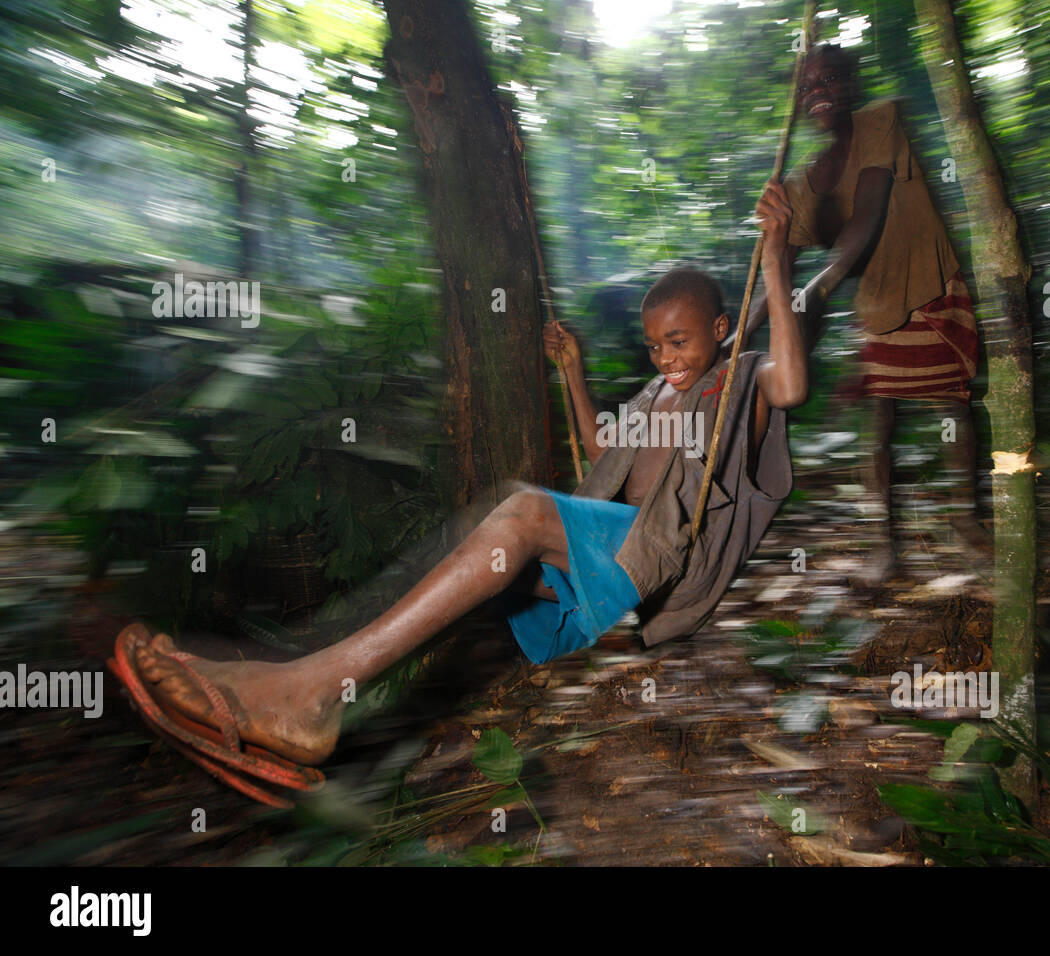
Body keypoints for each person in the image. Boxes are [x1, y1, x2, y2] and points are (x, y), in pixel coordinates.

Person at [109, 186, 808, 803]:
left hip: (663, 561)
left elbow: (792, 386)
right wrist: (572, 371)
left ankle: (305, 697)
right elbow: (602, 451)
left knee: (525, 512)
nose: (666, 359)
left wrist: (774, 254)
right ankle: (289, 683)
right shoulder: (659, 392)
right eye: (656, 346)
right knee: (472, 557)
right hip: (612, 556)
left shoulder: (740, 380)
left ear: (721, 330)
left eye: (680, 342)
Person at [743, 42, 989, 587]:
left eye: (829, 80)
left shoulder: (882, 121)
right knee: (878, 424)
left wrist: (820, 288)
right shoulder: (806, 183)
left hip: (926, 276)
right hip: (876, 301)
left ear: (851, 83)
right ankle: (886, 544)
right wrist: (736, 336)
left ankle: (967, 524)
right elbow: (778, 271)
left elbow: (871, 213)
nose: (819, 93)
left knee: (951, 406)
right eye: (808, 87)